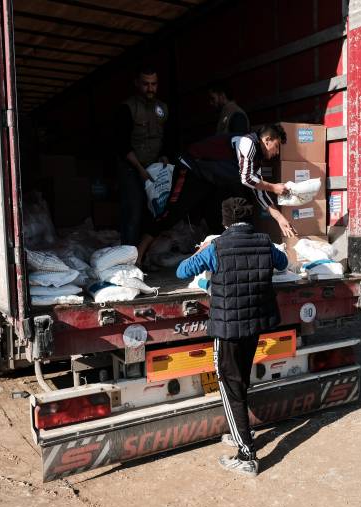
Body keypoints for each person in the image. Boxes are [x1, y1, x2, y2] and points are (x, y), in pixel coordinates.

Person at [175, 197, 288, 476]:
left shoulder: (216, 247)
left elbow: (181, 272)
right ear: (249, 219)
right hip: (254, 324)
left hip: (227, 329)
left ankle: (246, 453)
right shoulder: (265, 242)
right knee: (241, 381)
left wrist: (199, 253)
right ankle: (239, 431)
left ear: (224, 221)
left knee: (229, 385)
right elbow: (283, 263)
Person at [136, 125, 296, 263]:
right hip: (192, 168)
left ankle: (220, 260)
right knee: (172, 213)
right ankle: (138, 256)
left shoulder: (256, 159)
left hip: (210, 180)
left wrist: (280, 218)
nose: (277, 152)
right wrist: (274, 187)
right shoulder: (247, 142)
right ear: (267, 140)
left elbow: (259, 190)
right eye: (277, 146)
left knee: (216, 218)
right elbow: (247, 178)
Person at [114, 64, 169, 249]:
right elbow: (122, 144)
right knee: (133, 212)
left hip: (153, 168)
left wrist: (164, 156)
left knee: (153, 212)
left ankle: (142, 257)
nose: (150, 88)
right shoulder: (127, 108)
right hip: (131, 168)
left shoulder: (163, 108)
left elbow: (168, 138)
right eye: (146, 84)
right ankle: (127, 262)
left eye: (154, 84)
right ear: (137, 83)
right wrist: (139, 169)